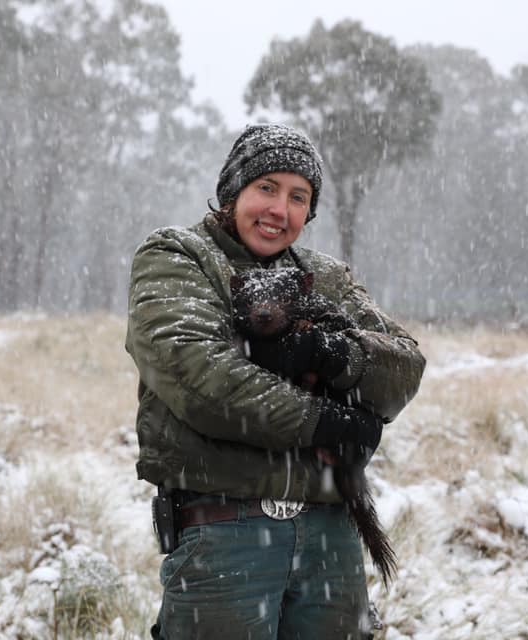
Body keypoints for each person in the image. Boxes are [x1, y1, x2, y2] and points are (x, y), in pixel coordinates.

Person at [125, 123, 425, 639]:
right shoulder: (181, 259)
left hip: (332, 536)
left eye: (298, 197)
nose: (279, 210)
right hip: (224, 534)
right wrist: (324, 421)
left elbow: (403, 370)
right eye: (266, 188)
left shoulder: (324, 277)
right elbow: (200, 378)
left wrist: (333, 355)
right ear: (233, 189)